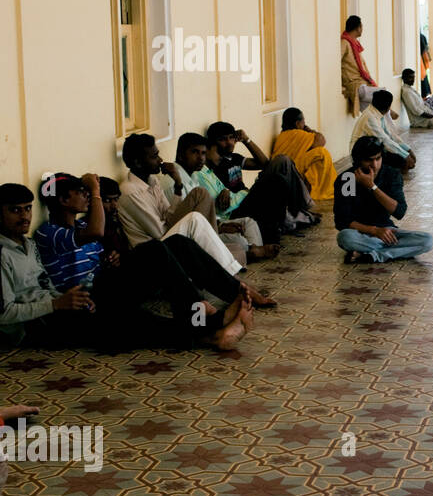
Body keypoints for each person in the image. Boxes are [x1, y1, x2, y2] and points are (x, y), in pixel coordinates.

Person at [30, 173, 252, 350]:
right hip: (86, 303)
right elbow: (96, 232)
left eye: (88, 192)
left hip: (105, 291)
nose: (88, 195)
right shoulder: (48, 233)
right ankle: (209, 325)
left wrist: (112, 261)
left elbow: (95, 257)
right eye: (81, 192)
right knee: (154, 254)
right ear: (63, 200)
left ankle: (230, 297)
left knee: (177, 243)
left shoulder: (80, 228)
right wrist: (96, 191)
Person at [118, 133, 243, 279]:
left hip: (168, 237)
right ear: (138, 162)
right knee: (194, 219)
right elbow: (159, 233)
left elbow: (168, 216)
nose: (160, 160)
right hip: (155, 251)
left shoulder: (152, 181)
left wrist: (178, 185)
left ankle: (220, 264)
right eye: (154, 157)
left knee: (200, 193)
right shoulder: (129, 191)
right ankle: (230, 276)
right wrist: (188, 223)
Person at [168, 133, 277, 264]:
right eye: (195, 152)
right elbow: (185, 222)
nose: (201, 158)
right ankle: (248, 253)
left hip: (216, 220)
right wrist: (220, 227)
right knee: (239, 242)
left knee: (248, 222)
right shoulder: (174, 181)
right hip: (195, 233)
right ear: (181, 154)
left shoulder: (195, 175)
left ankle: (253, 251)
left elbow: (264, 163)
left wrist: (220, 224)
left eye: (203, 153)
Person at [333, 136, 433, 264]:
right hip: (360, 232)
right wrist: (374, 231)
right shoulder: (348, 179)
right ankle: (388, 252)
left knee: (427, 241)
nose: (374, 165)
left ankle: (373, 254)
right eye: (368, 160)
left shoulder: (391, 175)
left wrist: (372, 187)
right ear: (358, 160)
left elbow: (399, 212)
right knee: (345, 237)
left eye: (378, 159)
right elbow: (342, 221)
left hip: (387, 232)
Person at [205, 121, 316, 237]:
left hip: (248, 196)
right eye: (223, 139)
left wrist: (246, 140)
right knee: (280, 168)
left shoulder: (234, 158)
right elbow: (213, 186)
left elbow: (264, 163)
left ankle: (300, 207)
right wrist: (226, 190)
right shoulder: (212, 163)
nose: (229, 143)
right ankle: (302, 207)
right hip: (240, 207)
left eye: (231, 138)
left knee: (282, 162)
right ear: (213, 143)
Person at [271, 108, 338, 203]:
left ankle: (312, 190)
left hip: (279, 173)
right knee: (321, 153)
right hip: (291, 172)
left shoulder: (281, 137)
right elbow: (321, 141)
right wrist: (310, 130)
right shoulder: (300, 134)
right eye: (303, 122)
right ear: (297, 124)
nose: (304, 124)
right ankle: (321, 191)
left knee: (314, 160)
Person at [350, 90, 415, 174]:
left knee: (399, 156)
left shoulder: (377, 112)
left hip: (370, 149)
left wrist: (408, 150)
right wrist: (405, 156)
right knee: (400, 160)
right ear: (389, 107)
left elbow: (390, 135)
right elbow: (385, 140)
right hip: (360, 154)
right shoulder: (370, 118)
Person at [341, 15, 378, 116]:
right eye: (361, 26)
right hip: (354, 84)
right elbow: (336, 63)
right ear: (358, 28)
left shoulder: (354, 44)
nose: (362, 29)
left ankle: (388, 131)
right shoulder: (344, 43)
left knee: (373, 114)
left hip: (362, 82)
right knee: (384, 96)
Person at [419, 32, 433, 99]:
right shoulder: (421, 37)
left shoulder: (420, 36)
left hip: (421, 67)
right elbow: (425, 51)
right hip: (421, 68)